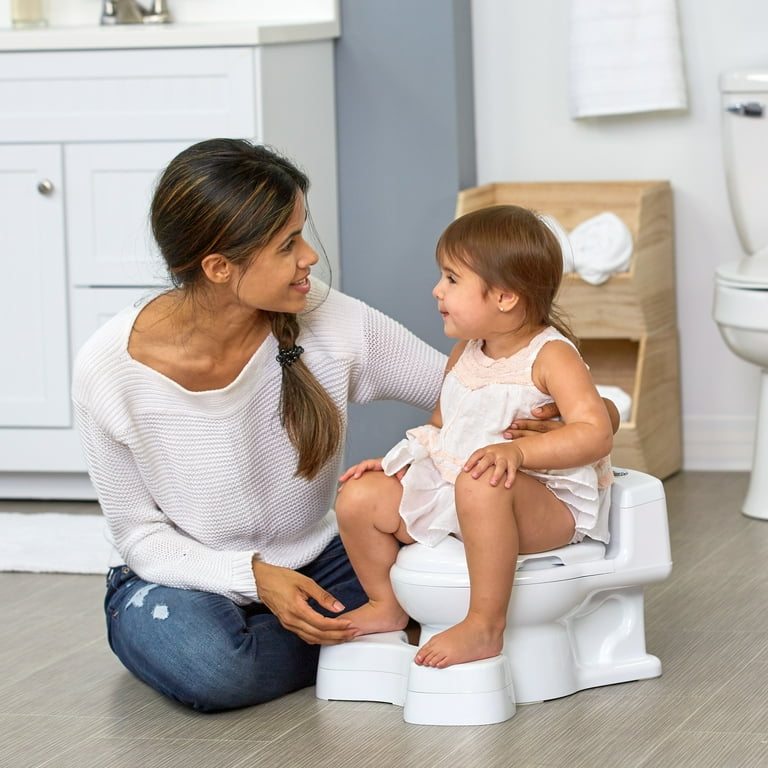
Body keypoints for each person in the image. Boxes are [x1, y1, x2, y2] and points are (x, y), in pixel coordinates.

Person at [71, 138, 452, 712]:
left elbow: (457, 390)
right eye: (287, 244)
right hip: (180, 576)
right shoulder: (108, 369)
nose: (310, 257)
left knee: (457, 572)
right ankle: (375, 634)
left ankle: (362, 629)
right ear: (219, 267)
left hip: (322, 557)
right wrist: (257, 579)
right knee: (214, 667)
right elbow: (140, 537)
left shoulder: (328, 317)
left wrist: (551, 404)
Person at [336, 204, 614, 670]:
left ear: (504, 296)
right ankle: (387, 605)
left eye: (451, 279)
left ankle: (485, 624)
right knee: (359, 497)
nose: (437, 290)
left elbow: (595, 433)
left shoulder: (551, 356)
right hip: (464, 488)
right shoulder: (466, 350)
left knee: (482, 481)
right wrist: (400, 463)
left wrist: (518, 451)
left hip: (544, 505)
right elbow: (443, 427)